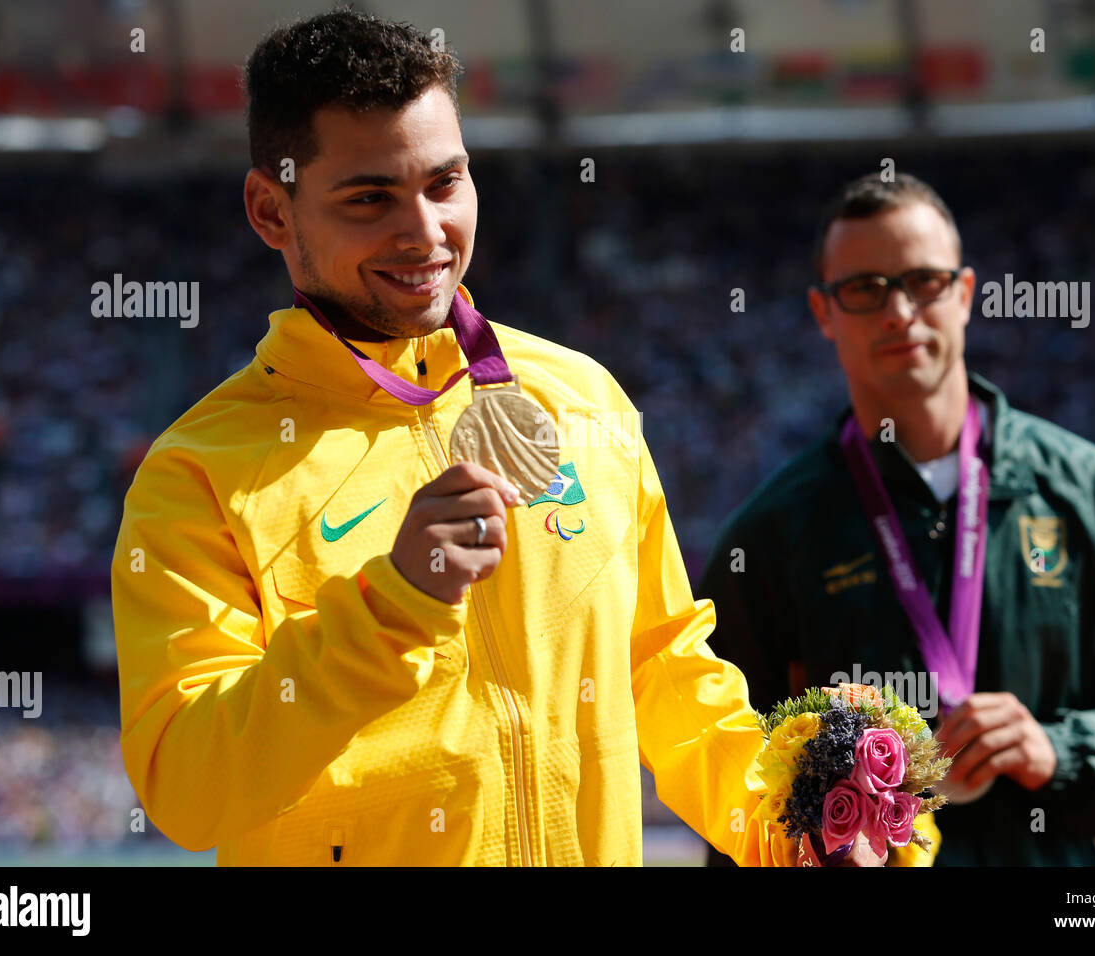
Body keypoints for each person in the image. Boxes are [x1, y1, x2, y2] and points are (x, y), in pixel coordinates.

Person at [111, 9, 805, 866]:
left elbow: (666, 672)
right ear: (270, 210)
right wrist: (389, 607)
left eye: (445, 183)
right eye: (370, 197)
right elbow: (188, 789)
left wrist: (801, 828)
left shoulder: (582, 398)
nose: (425, 232)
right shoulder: (198, 476)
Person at [700, 172, 1095, 866]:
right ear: (824, 312)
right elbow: (728, 771)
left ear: (965, 293)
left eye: (924, 281)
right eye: (865, 288)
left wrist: (1060, 748)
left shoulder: (1087, 490)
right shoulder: (771, 535)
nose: (900, 311)